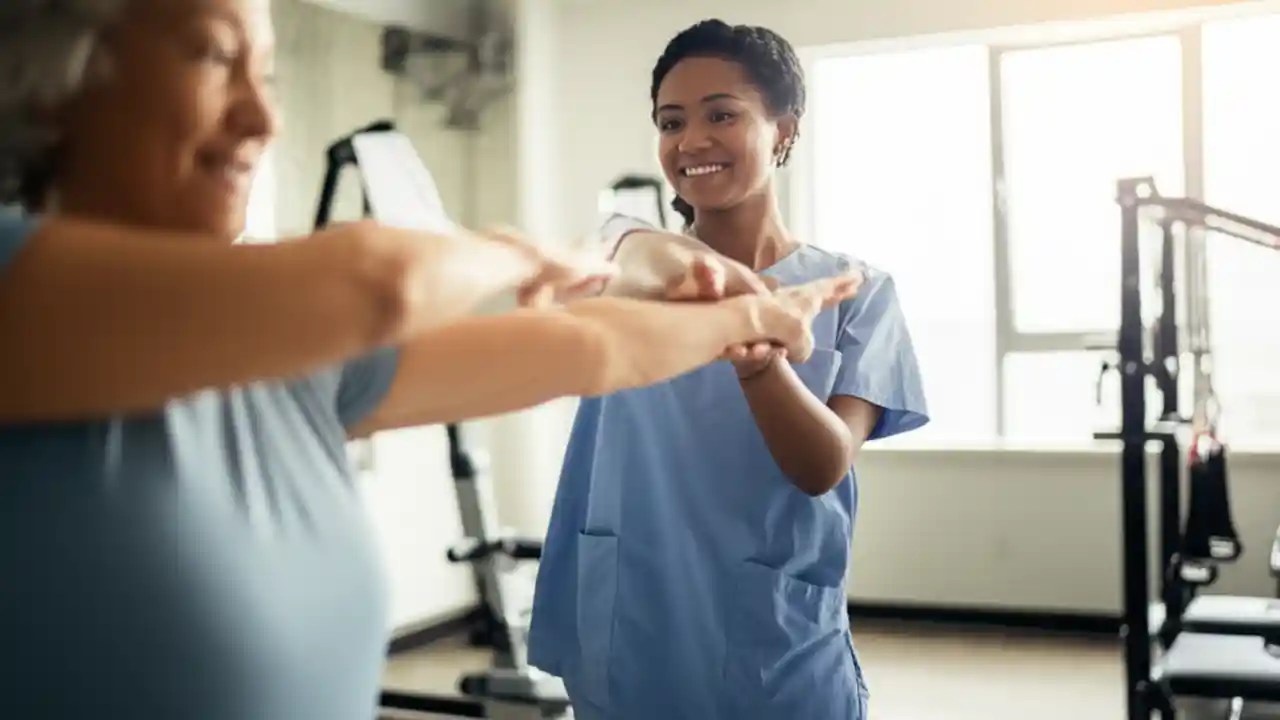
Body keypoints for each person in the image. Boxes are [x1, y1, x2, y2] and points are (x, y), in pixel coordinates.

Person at [0, 2, 862, 718]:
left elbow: (590, 345)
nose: (263, 118)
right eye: (212, 59)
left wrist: (755, 321)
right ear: (50, 80)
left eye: (265, 76)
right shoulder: (19, 296)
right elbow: (376, 280)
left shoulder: (288, 358)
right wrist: (522, 254)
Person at [528, 19, 930, 720]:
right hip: (629, 615)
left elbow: (824, 464)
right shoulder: (631, 267)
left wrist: (760, 362)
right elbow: (627, 248)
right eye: (670, 121)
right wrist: (728, 294)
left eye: (722, 114)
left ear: (783, 130)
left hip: (778, 636)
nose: (691, 141)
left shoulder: (856, 290)